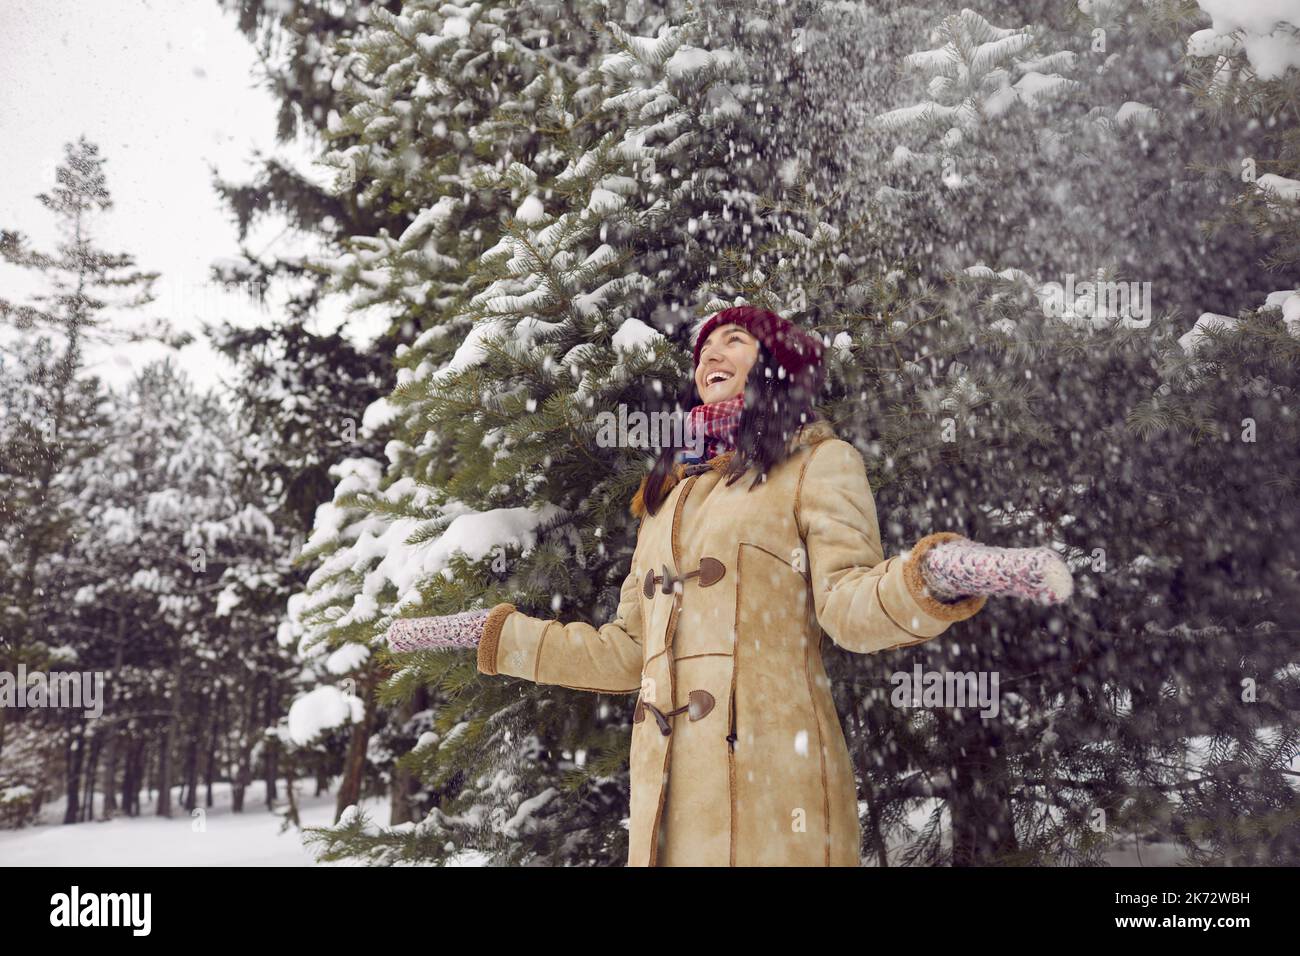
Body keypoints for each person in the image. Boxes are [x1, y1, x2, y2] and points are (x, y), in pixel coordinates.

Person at [385, 305, 1072, 866]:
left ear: (773, 363)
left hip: (773, 787)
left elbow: (847, 604)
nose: (711, 353)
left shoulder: (817, 463)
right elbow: (628, 651)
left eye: (734, 339)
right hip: (668, 802)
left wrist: (934, 576)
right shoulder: (662, 499)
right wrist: (498, 635)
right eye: (703, 347)